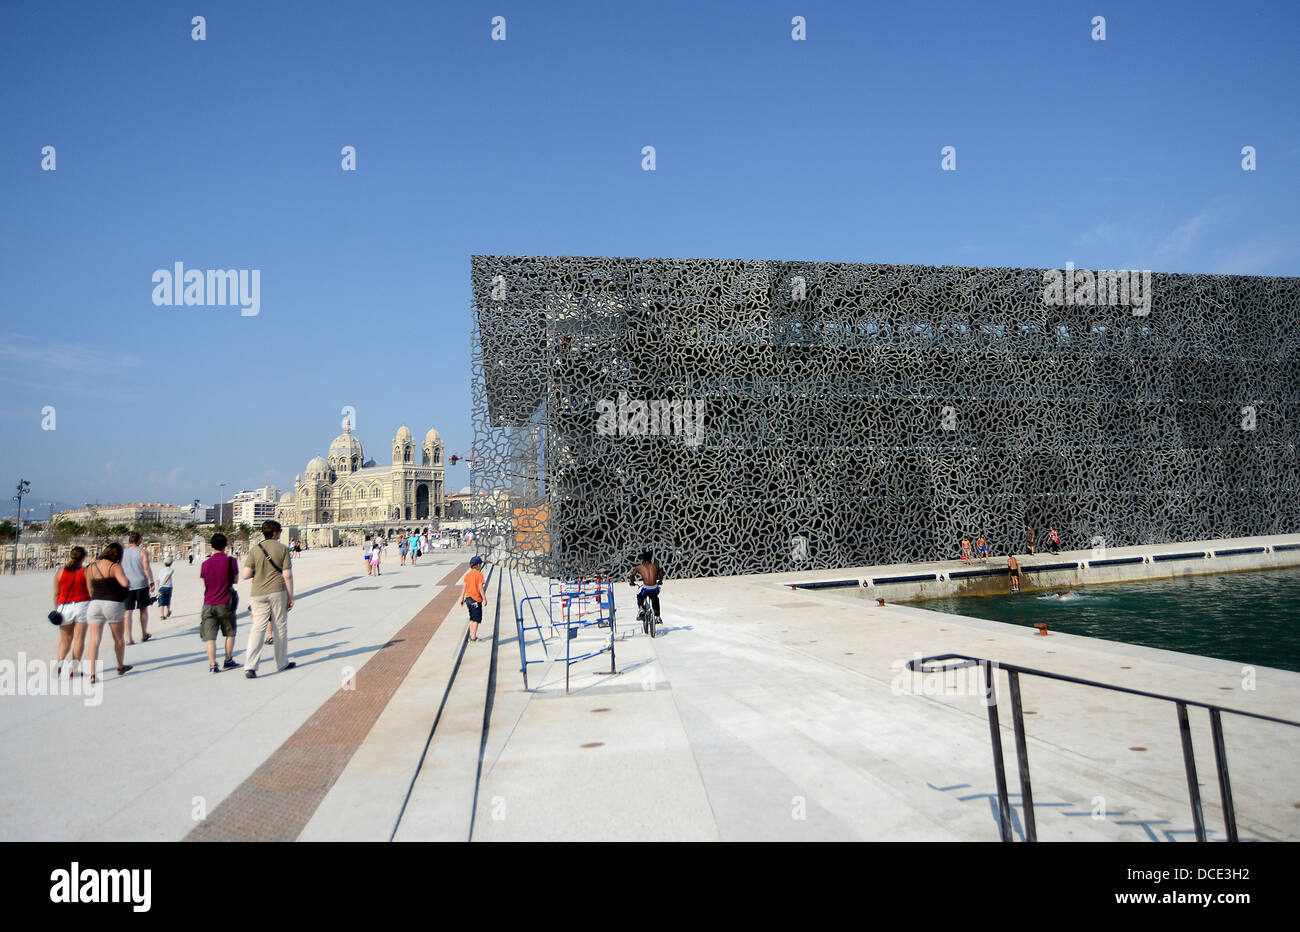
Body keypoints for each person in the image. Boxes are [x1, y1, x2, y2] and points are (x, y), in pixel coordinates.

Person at [242, 520, 295, 678]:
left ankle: (250, 666)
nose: (279, 533)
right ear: (274, 533)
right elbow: (287, 575)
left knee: (258, 629)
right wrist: (291, 596)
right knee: (280, 627)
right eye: (279, 531)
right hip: (277, 592)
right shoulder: (283, 549)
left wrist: (258, 572)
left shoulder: (255, 549)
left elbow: (245, 575)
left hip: (257, 593)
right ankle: (281, 662)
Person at [83, 542, 133, 683]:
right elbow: (124, 583)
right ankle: (120, 665)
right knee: (118, 638)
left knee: (94, 641)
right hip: (112, 603)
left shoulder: (91, 567)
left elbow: (89, 589)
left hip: (95, 604)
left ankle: (92, 674)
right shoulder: (114, 566)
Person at [199, 533, 240, 673]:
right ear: (226, 545)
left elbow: (206, 582)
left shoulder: (205, 564)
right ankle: (228, 660)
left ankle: (212, 665)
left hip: (208, 603)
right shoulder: (231, 561)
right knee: (230, 632)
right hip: (225, 601)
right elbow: (235, 580)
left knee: (210, 637)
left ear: (211, 545)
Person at [53, 546, 91, 677]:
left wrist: (57, 609)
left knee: (65, 640)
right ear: (84, 557)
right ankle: (74, 669)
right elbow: (91, 591)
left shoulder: (60, 572)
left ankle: (59, 663)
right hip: (82, 605)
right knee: (79, 639)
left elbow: (57, 593)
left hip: (64, 606)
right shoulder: (85, 571)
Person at [121, 531, 155, 645]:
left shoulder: (123, 553)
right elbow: (146, 567)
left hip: (127, 585)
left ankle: (128, 638)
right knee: (143, 609)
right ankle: (144, 633)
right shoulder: (142, 551)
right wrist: (151, 581)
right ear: (139, 540)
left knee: (127, 612)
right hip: (141, 584)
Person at [630, 551, 664, 622]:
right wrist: (660, 581)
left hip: (646, 588)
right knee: (655, 599)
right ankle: (657, 617)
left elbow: (632, 575)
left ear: (643, 559)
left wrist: (632, 582)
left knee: (639, 595)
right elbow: (661, 575)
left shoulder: (639, 567)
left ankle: (641, 608)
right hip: (654, 588)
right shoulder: (655, 566)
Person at [462, 555, 486, 641]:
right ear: (478, 565)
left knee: (472, 617)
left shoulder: (468, 575)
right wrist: (484, 598)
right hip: (476, 599)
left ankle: (471, 634)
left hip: (468, 599)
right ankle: (473, 637)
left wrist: (462, 598)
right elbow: (480, 587)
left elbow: (464, 586)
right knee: (476, 618)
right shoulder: (479, 575)